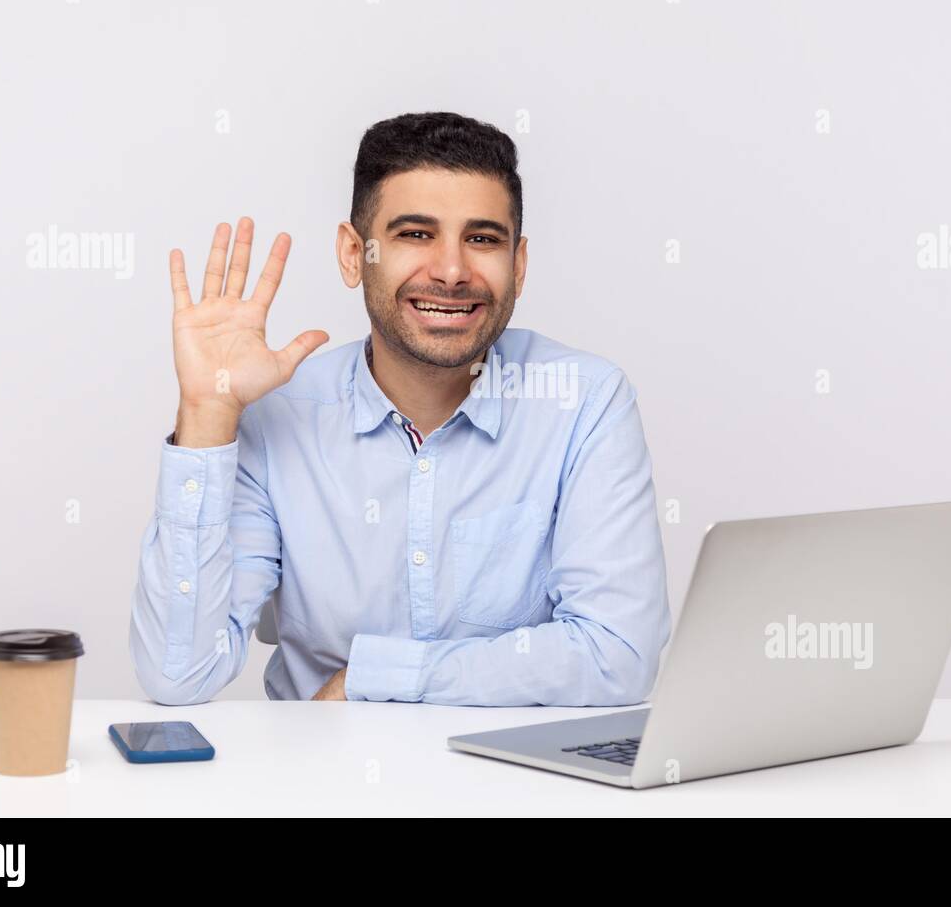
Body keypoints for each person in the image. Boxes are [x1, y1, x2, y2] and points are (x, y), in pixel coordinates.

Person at [129, 111, 671, 705]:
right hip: (323, 788)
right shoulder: (279, 413)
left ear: (517, 264)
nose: (452, 271)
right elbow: (178, 674)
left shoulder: (584, 403)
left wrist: (376, 679)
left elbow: (619, 655)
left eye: (482, 239)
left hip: (520, 793)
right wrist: (208, 415)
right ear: (353, 254)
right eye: (415, 234)